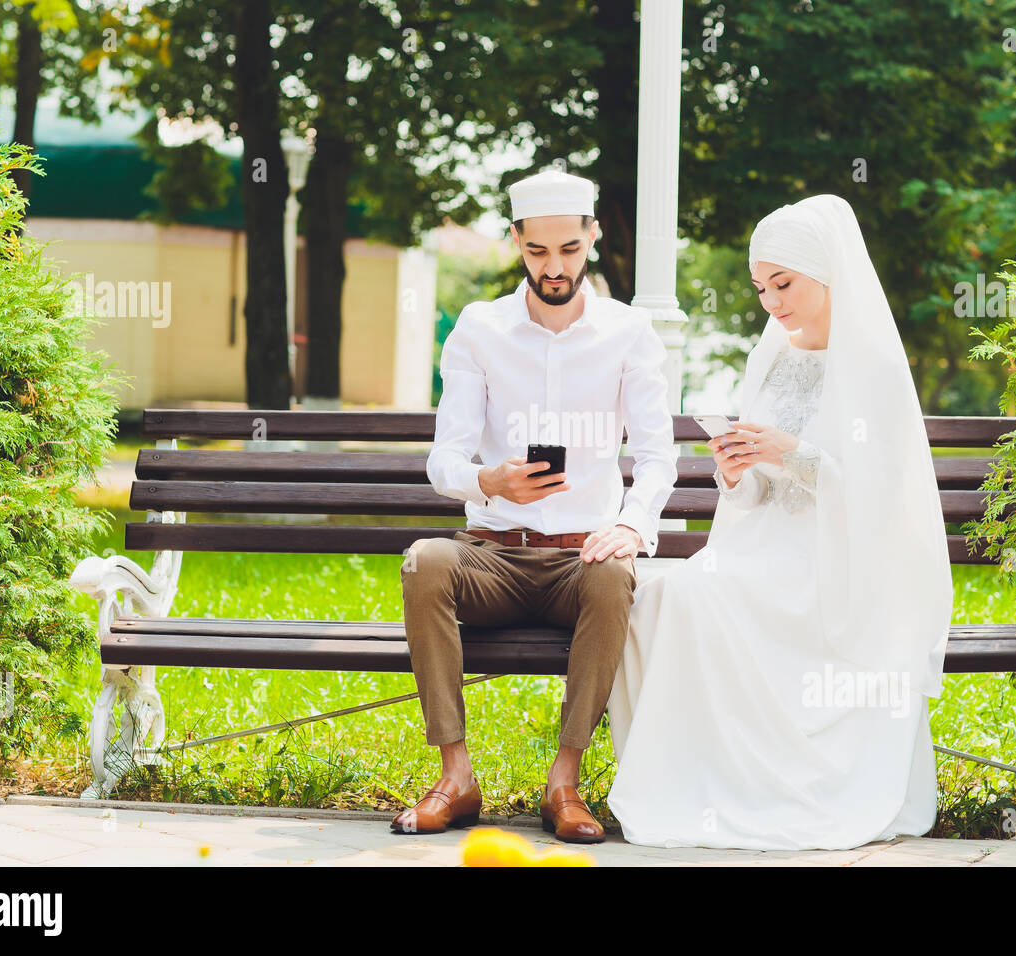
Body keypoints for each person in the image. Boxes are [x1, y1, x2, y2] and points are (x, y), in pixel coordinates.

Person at [605, 194, 954, 850]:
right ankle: (703, 785)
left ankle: (770, 791)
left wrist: (794, 453)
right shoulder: (770, 358)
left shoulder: (873, 367)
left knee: (694, 598)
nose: (771, 301)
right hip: (761, 549)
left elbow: (883, 497)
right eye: (761, 287)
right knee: (662, 597)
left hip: (838, 561)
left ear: (825, 273)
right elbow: (754, 496)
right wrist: (739, 472)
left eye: (783, 283)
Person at [393, 168, 678, 843]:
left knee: (614, 575)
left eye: (569, 251)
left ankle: (564, 782)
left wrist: (631, 527)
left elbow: (660, 458)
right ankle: (455, 777)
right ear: (517, 239)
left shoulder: (629, 332)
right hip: (492, 556)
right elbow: (444, 464)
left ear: (592, 237)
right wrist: (491, 482)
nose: (554, 267)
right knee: (423, 563)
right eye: (538, 251)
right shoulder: (480, 328)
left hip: (582, 558)